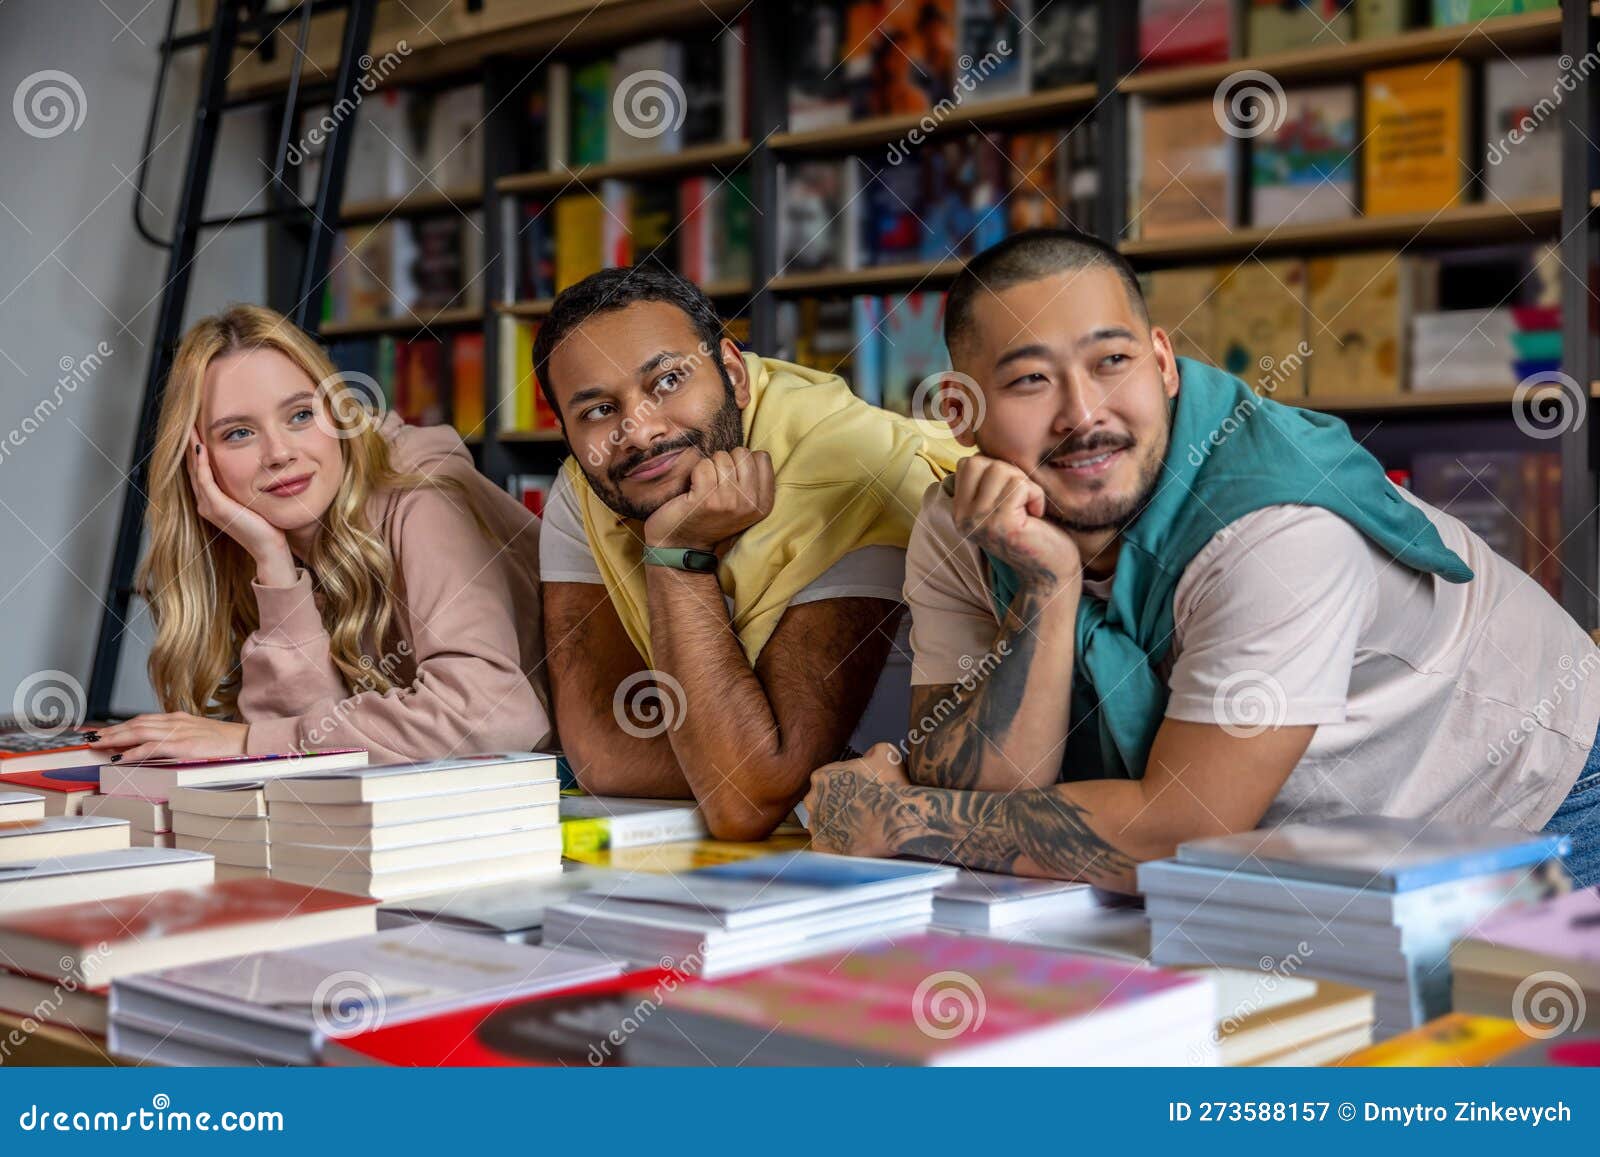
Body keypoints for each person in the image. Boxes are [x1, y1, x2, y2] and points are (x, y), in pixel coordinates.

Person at [804, 228, 1600, 890]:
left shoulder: (1278, 528)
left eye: (1112, 362)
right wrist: (1046, 585)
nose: (1085, 415)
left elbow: (1178, 831)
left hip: (1535, 796)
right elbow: (982, 789)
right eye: (1031, 379)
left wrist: (900, 819)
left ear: (1162, 363)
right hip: (1315, 837)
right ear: (959, 410)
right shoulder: (963, 522)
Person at [535, 265, 965, 841]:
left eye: (666, 381)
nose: (638, 432)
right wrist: (740, 764)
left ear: (734, 374)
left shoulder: (852, 468)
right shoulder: (590, 484)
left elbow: (745, 796)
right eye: (597, 411)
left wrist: (676, 555)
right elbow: (602, 754)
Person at [91, 304, 551, 764]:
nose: (278, 453)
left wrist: (245, 742)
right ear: (197, 460)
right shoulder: (269, 544)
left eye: (299, 416)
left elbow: (493, 719)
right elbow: (313, 747)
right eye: (238, 434)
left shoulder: (423, 497)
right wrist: (274, 564)